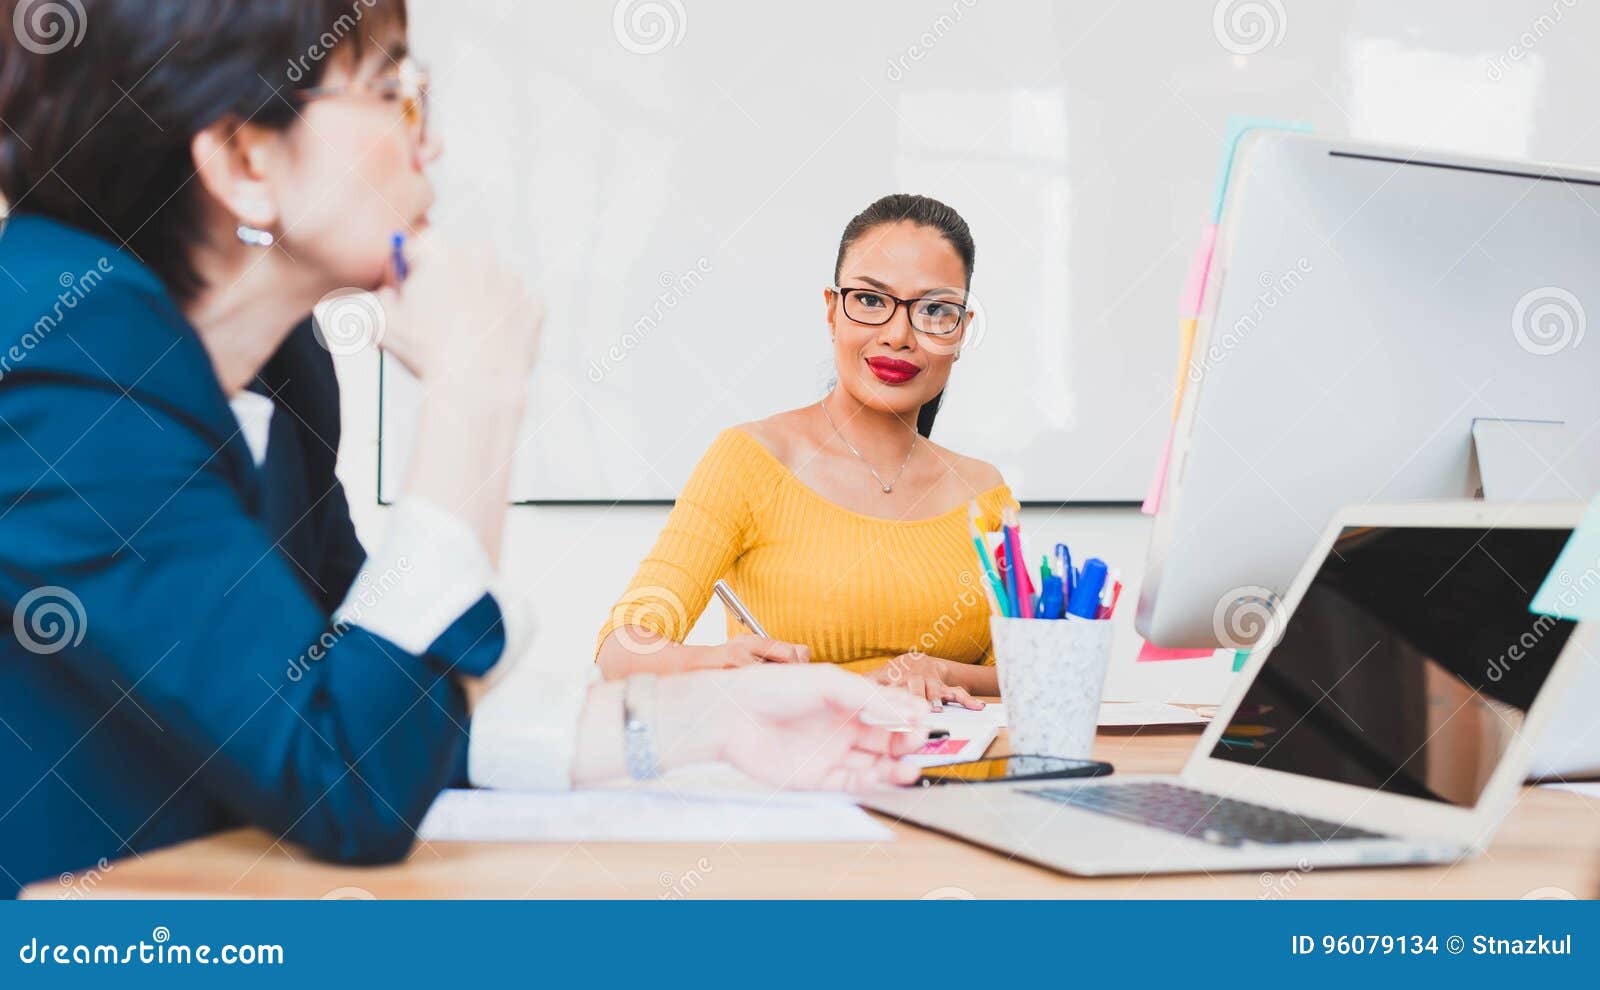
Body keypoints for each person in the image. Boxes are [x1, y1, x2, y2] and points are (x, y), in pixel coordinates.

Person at [0, 0, 924, 898]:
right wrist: (476, 392)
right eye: (389, 91)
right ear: (246, 159)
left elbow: (365, 702)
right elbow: (352, 781)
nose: (428, 142)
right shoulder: (61, 346)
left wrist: (697, 721)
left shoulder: (284, 369)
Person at [596, 194, 1014, 710]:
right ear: (831, 311)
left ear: (961, 332)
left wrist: (931, 669)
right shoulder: (751, 461)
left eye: (934, 310)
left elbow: (1023, 671)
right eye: (870, 300)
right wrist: (721, 664)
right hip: (801, 781)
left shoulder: (985, 493)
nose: (899, 335)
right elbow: (622, 648)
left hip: (961, 781)